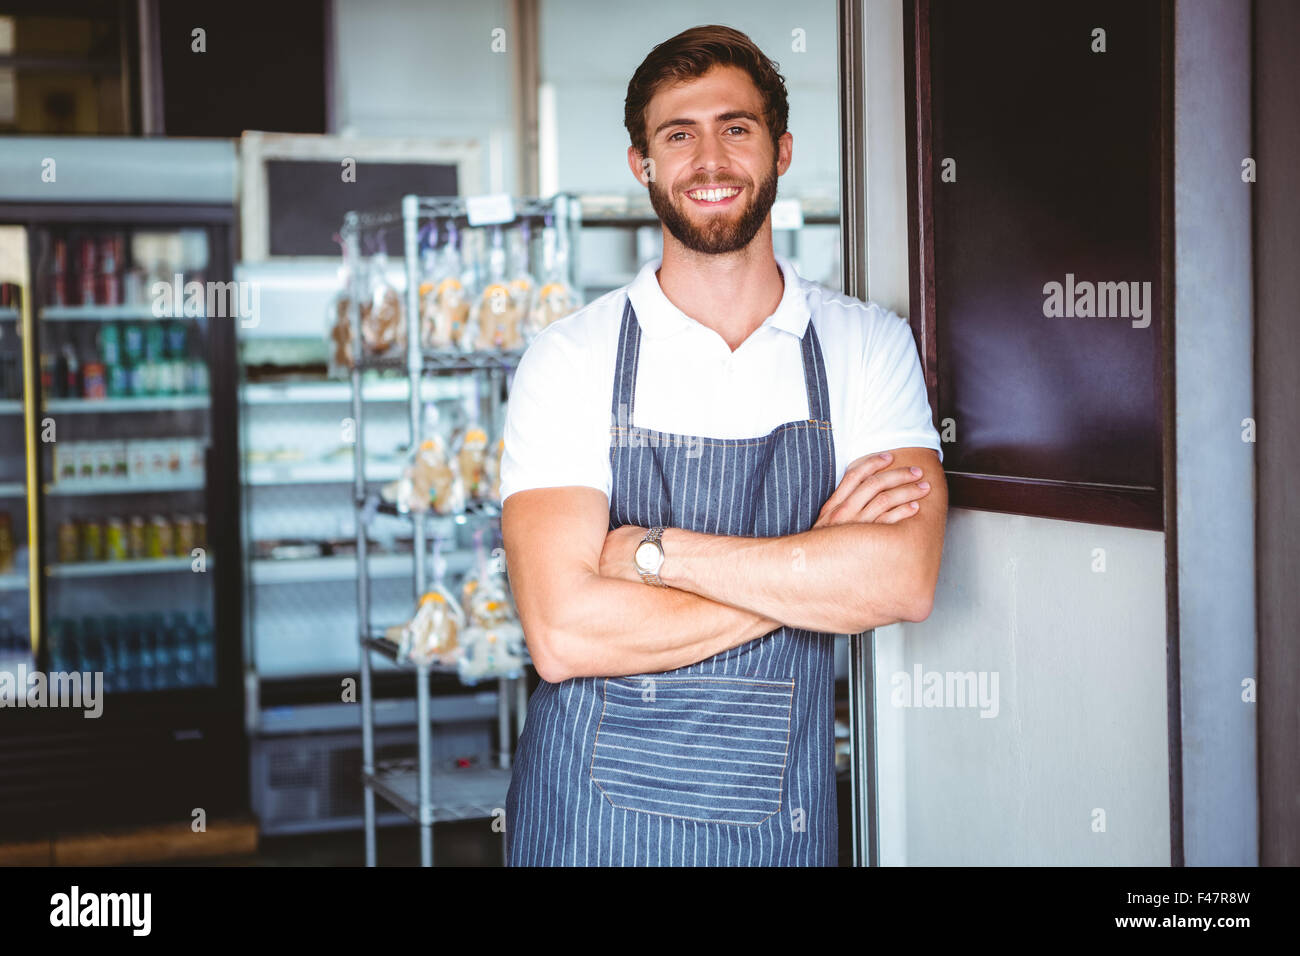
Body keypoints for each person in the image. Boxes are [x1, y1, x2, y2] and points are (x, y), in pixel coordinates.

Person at [501, 24, 947, 867]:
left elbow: (904, 579)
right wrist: (816, 566)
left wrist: (653, 556)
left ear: (780, 150)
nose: (710, 160)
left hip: (782, 825)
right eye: (679, 135)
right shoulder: (571, 360)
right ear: (642, 164)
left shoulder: (865, 346)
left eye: (735, 129)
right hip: (594, 830)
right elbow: (563, 633)